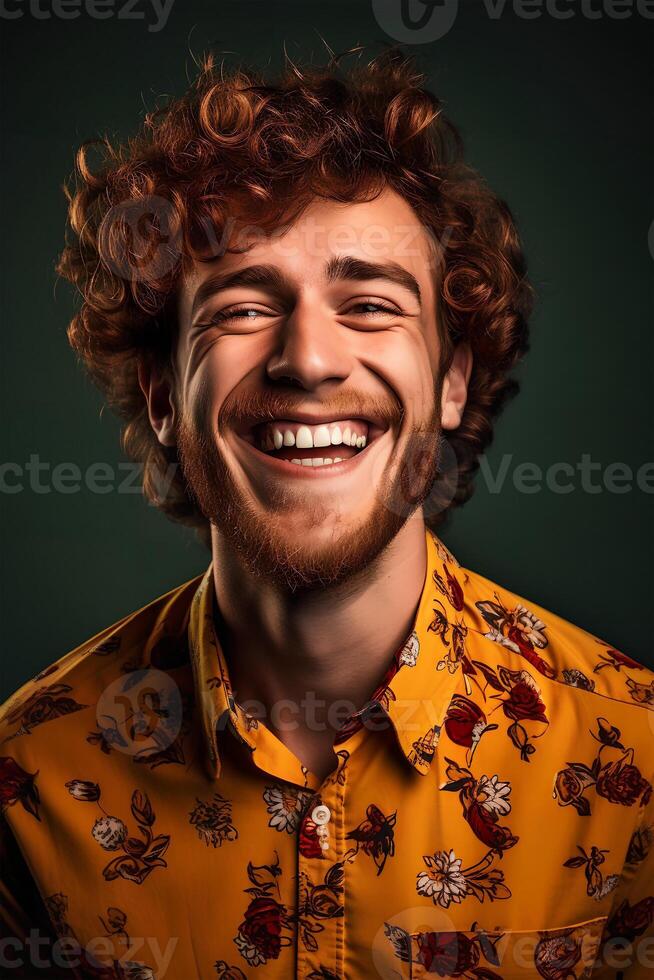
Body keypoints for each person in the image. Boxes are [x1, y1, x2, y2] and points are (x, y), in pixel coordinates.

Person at [1, 49, 652, 980]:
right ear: (160, 392)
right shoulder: (25, 786)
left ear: (454, 379)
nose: (309, 359)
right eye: (241, 307)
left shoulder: (635, 767)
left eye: (371, 304)